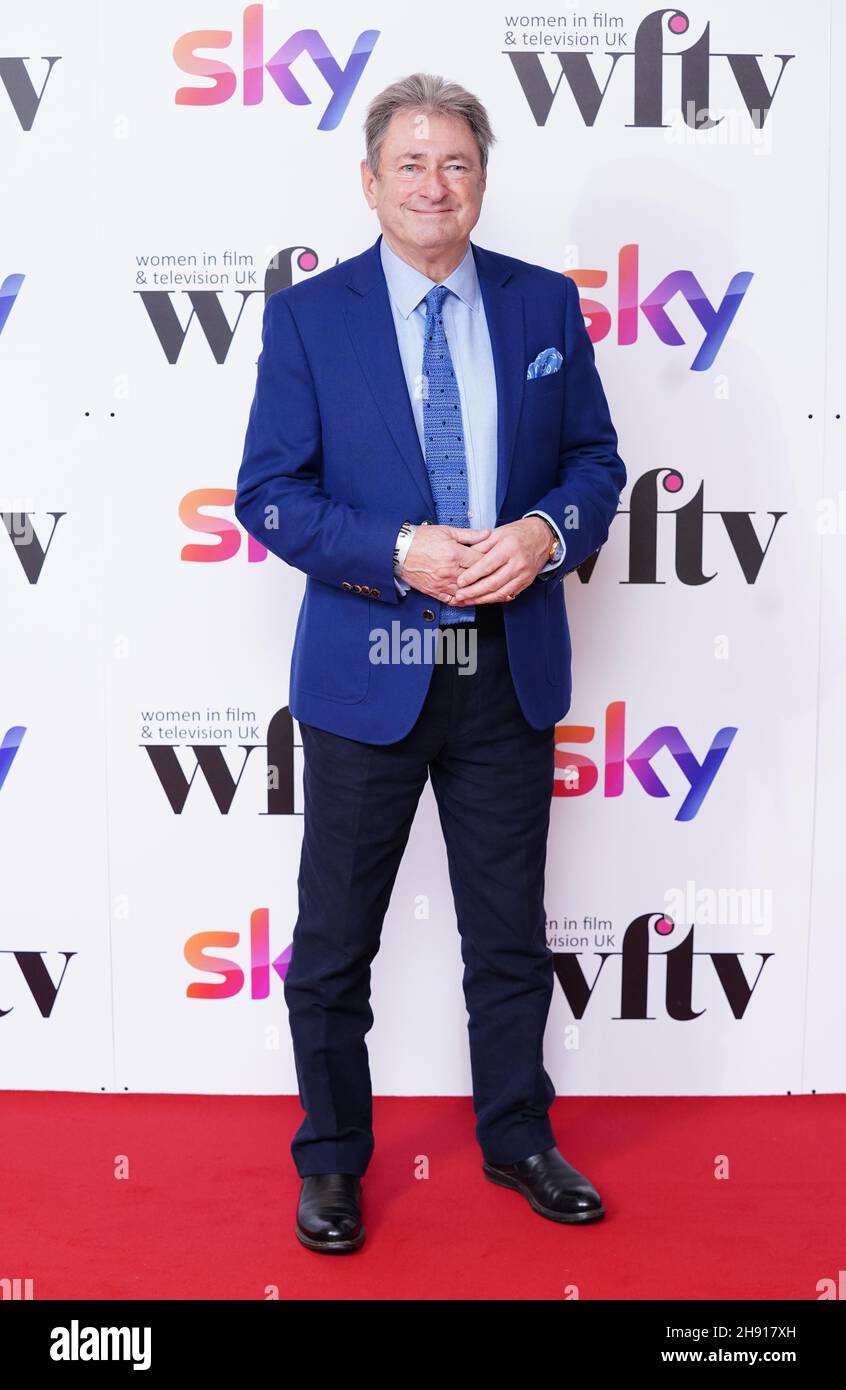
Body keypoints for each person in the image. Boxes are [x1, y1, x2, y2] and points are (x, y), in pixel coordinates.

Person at [235, 72, 626, 1254]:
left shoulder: (545, 308)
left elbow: (598, 465)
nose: (433, 184)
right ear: (369, 182)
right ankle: (334, 1162)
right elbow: (269, 493)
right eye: (410, 164)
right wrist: (397, 549)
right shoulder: (312, 317)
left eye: (454, 163)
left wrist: (547, 533)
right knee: (336, 942)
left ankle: (517, 1137)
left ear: (482, 180)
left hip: (508, 670)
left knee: (507, 933)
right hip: (370, 671)